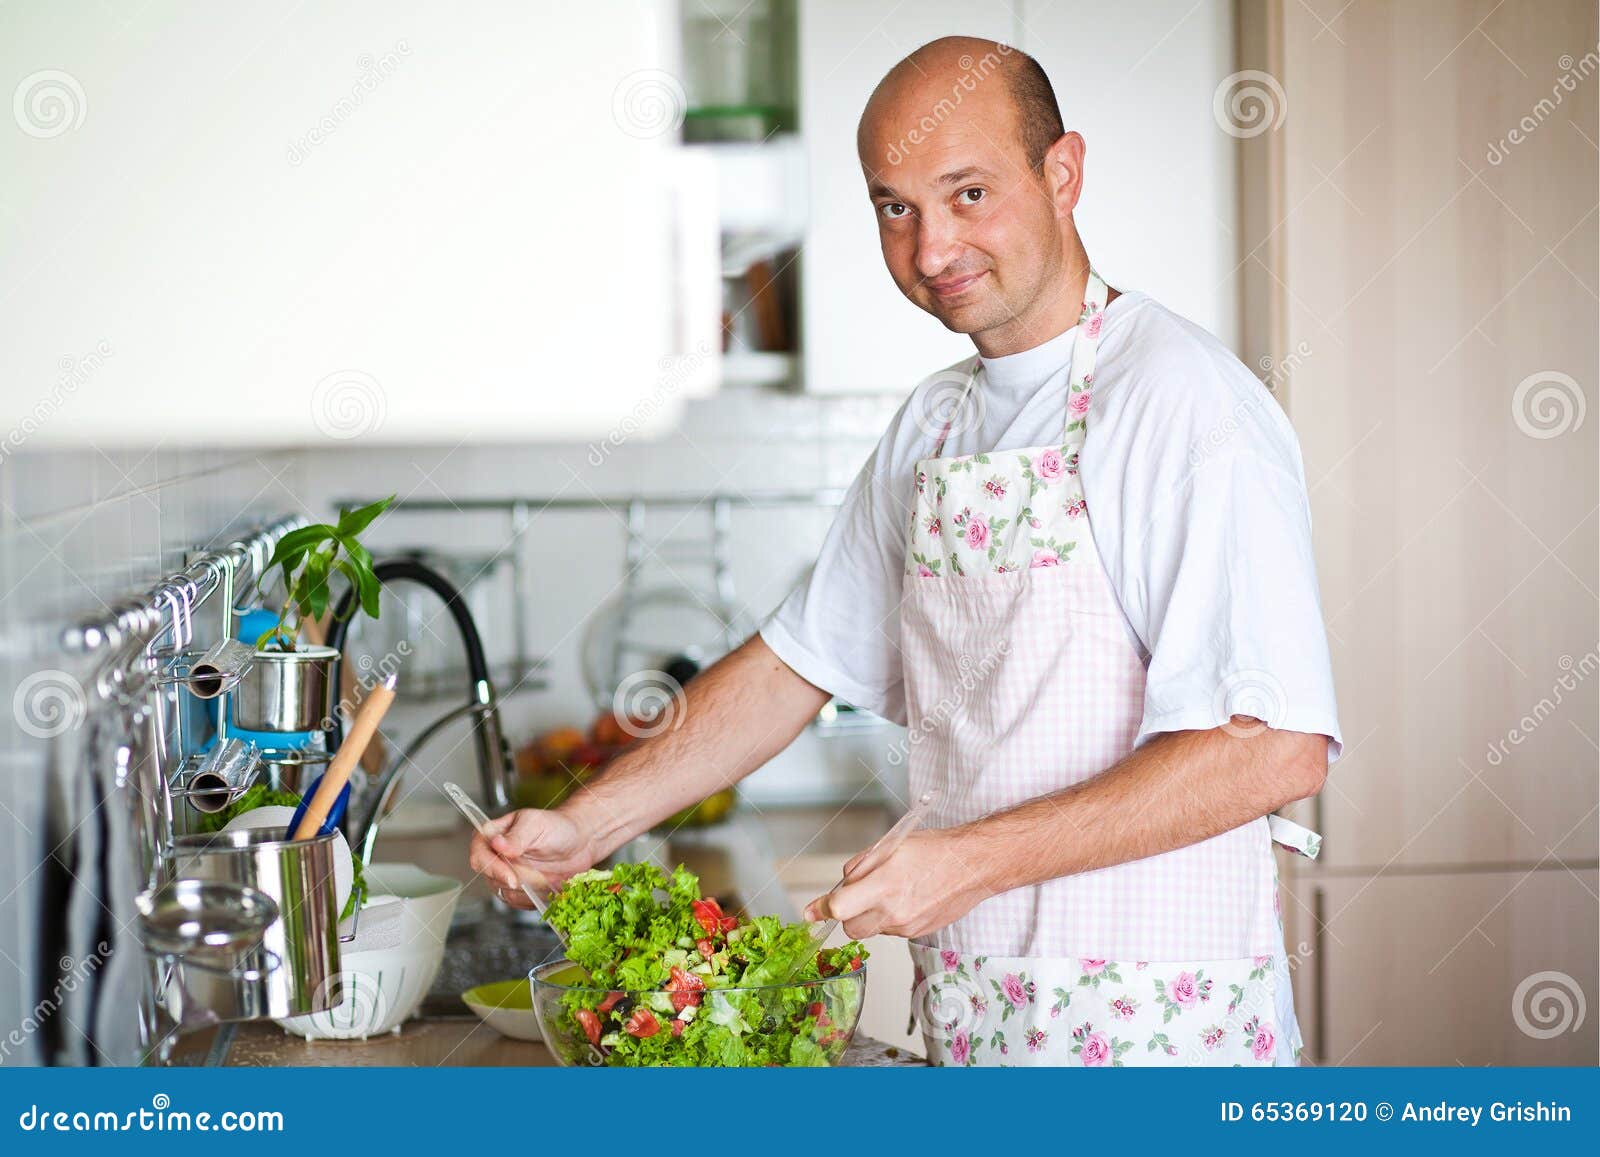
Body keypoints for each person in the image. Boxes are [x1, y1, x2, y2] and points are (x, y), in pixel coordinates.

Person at [470, 36, 1341, 1067]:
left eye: (967, 193)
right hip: (980, 1019)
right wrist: (589, 821)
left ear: (1061, 173)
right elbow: (799, 661)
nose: (930, 250)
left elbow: (1269, 748)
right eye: (895, 207)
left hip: (1157, 1037)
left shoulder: (1181, 403)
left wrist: (966, 862)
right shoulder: (937, 422)